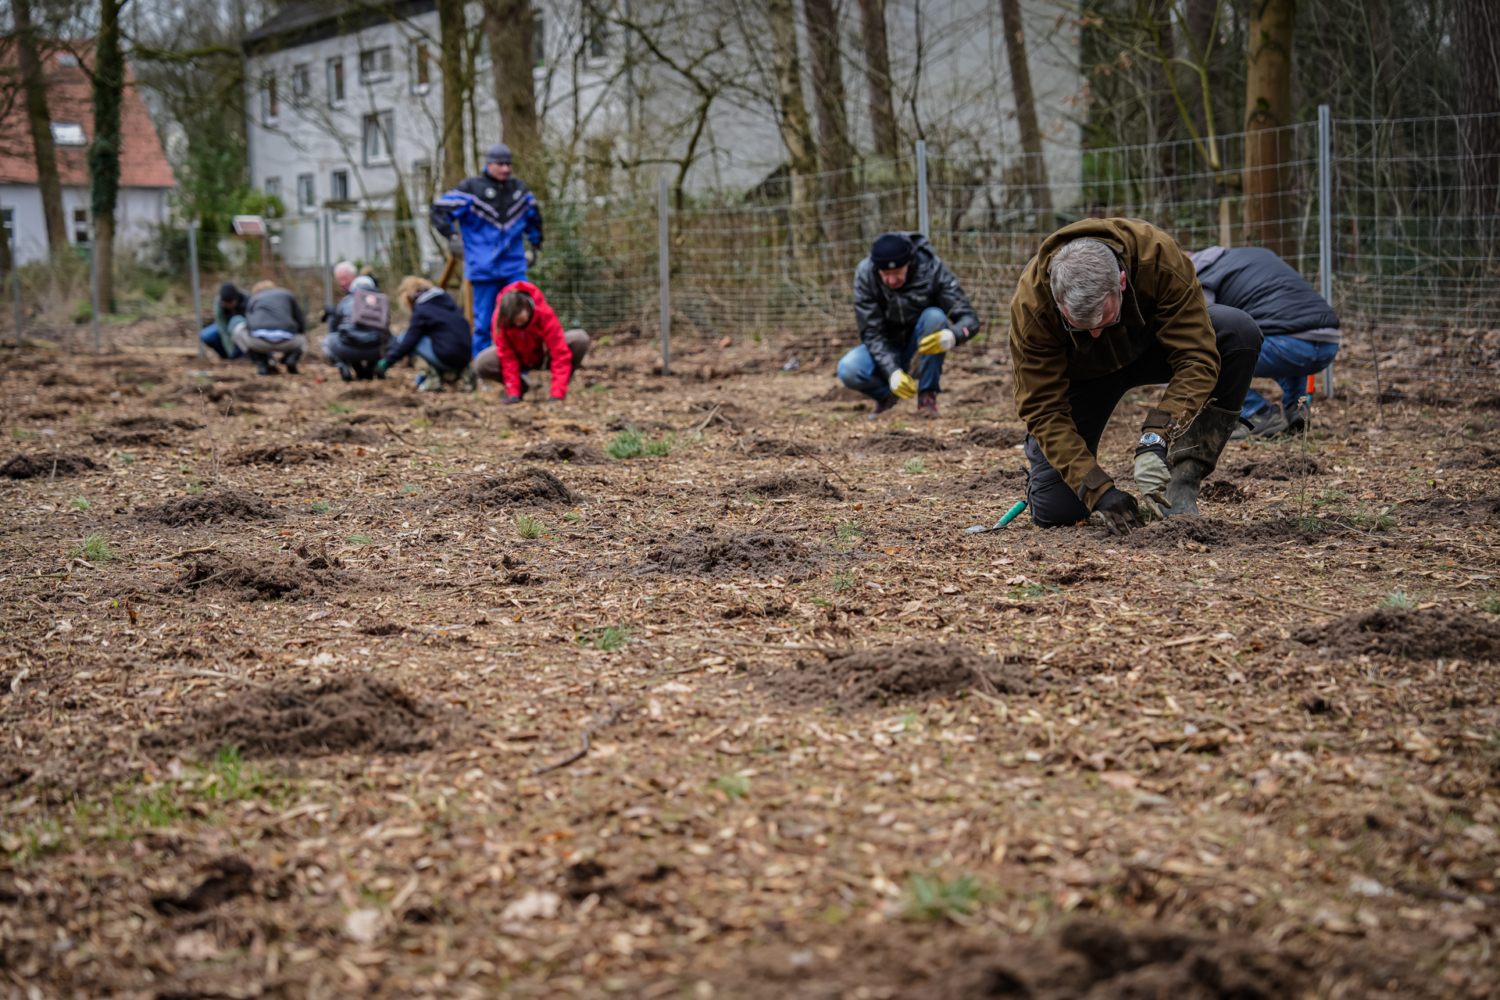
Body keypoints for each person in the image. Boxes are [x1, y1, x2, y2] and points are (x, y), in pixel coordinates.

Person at [1009, 219, 1263, 532]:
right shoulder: (1032, 303)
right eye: (1080, 326)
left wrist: (1156, 436)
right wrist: (1100, 491)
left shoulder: (1157, 256)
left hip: (1149, 348)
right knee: (1058, 512)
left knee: (1237, 334)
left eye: (1105, 319)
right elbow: (1042, 406)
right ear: (1058, 301)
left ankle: (1182, 479)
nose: (1096, 334)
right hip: (1082, 377)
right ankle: (1046, 468)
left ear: (1122, 282)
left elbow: (1196, 356)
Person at [1189, 246, 1340, 439]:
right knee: (1284, 335)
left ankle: (1259, 412)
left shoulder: (1199, 276)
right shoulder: (1252, 254)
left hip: (1286, 346)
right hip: (1328, 343)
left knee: (1199, 360)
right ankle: (1297, 408)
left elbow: (1202, 331)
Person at [837, 231, 981, 419]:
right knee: (848, 368)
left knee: (935, 317)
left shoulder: (932, 268)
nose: (891, 280)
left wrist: (953, 336)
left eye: (897, 273)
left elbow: (969, 319)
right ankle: (887, 397)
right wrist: (893, 373)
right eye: (885, 275)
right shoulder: (865, 274)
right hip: (886, 348)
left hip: (921, 347)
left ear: (909, 263)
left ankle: (927, 398)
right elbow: (871, 333)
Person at [430, 142, 544, 358]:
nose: (506, 169)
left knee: (524, 314)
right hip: (483, 268)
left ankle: (523, 367)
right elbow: (438, 210)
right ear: (489, 164)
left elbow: (534, 218)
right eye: (501, 164)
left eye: (509, 164)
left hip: (514, 267)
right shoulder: (470, 189)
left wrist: (535, 247)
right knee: (483, 322)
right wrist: (451, 237)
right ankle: (484, 373)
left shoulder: (520, 191)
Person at [472, 282, 589, 404]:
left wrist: (556, 395)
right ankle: (521, 387)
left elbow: (559, 351)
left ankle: (562, 383)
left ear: (525, 305)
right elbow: (507, 357)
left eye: (520, 319)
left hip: (544, 356)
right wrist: (513, 393)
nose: (518, 324)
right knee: (481, 363)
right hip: (520, 359)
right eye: (513, 322)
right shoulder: (500, 318)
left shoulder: (544, 312)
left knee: (579, 338)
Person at [379, 277, 478, 393]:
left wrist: (388, 360)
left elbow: (408, 342)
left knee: (404, 338)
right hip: (465, 357)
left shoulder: (422, 310)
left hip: (446, 356)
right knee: (439, 340)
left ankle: (432, 379)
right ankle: (464, 374)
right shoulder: (449, 304)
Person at [320, 261, 391, 381]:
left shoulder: (345, 300)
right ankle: (375, 369)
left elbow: (338, 326)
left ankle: (343, 368)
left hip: (348, 347)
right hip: (376, 349)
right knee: (391, 339)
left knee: (328, 341)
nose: (342, 283)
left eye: (345, 278)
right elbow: (386, 327)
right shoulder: (382, 301)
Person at [235, 280, 308, 376]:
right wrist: (298, 332)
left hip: (259, 342)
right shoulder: (286, 294)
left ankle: (261, 363)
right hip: (287, 342)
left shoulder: (254, 299)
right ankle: (291, 359)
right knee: (302, 338)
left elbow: (248, 324)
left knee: (238, 330)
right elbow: (300, 320)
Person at [199, 283, 247, 360]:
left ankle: (244, 356)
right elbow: (223, 329)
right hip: (226, 329)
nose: (227, 306)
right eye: (225, 303)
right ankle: (226, 356)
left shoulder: (247, 300)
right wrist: (231, 353)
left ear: (236, 299)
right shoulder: (219, 304)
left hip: (243, 331)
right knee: (206, 335)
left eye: (229, 303)